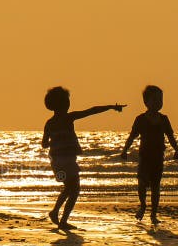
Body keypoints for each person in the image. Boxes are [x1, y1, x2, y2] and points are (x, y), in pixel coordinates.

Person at [42, 87, 124, 230]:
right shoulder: (68, 118)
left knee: (68, 188)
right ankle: (62, 220)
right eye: (67, 101)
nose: (69, 103)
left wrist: (55, 142)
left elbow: (44, 144)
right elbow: (91, 111)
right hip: (67, 162)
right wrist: (110, 107)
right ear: (62, 104)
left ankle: (55, 213)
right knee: (74, 190)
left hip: (56, 163)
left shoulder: (49, 123)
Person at [121, 85, 178, 225]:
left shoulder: (164, 119)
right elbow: (132, 136)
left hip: (158, 157)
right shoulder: (140, 119)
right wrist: (124, 150)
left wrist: (176, 150)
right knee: (142, 183)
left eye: (160, 99)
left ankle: (153, 214)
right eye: (155, 99)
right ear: (146, 102)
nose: (158, 102)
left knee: (155, 186)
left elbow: (170, 136)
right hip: (144, 156)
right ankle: (143, 205)